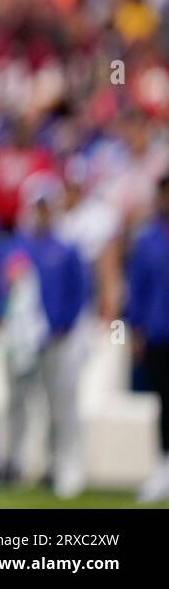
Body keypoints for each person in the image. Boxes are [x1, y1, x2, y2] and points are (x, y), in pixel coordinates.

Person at [0, 171, 88, 498]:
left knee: (57, 405)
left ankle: (56, 466)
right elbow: (1, 292)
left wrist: (62, 325)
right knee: (17, 403)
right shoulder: (15, 247)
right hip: (20, 338)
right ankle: (13, 463)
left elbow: (78, 293)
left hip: (54, 339)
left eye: (44, 206)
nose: (39, 212)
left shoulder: (65, 249)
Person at [125, 173, 169, 502]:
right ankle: (163, 466)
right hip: (159, 333)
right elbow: (136, 290)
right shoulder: (147, 239)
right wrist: (135, 330)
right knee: (164, 402)